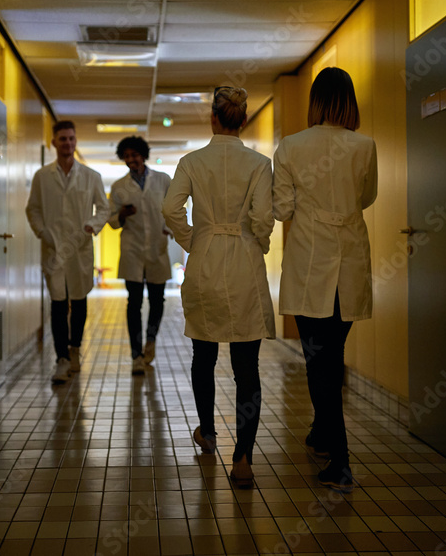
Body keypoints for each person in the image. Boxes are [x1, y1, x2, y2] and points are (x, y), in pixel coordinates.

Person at [162, 87, 275, 488]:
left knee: (203, 354)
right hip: (244, 261)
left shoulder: (192, 161)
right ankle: (243, 458)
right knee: (247, 368)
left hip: (206, 259)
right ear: (243, 121)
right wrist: (256, 241)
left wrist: (194, 239)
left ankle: (207, 433)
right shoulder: (260, 164)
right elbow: (264, 216)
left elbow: (170, 208)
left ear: (213, 119)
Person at [272, 67, 377, 491]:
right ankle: (321, 433)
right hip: (349, 261)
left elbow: (281, 209)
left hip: (310, 264)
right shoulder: (364, 145)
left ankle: (342, 460)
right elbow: (367, 197)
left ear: (315, 101)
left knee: (321, 364)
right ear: (349, 100)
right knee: (331, 356)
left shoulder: (291, 146)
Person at [26, 120, 109, 384]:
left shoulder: (91, 176)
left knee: (79, 300)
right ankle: (61, 359)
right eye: (63, 139)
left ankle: (75, 349)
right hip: (53, 247)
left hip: (80, 247)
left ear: (76, 141)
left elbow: (104, 210)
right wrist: (42, 232)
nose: (68, 144)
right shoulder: (42, 176)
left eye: (71, 139)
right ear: (54, 142)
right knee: (58, 304)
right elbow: (33, 209)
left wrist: (91, 226)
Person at [107, 136, 172, 376]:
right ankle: (136, 354)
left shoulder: (163, 180)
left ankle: (150, 340)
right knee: (133, 303)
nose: (131, 160)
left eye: (134, 155)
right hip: (133, 250)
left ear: (143, 155)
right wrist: (122, 214)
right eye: (126, 156)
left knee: (158, 301)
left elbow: (175, 209)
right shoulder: (118, 187)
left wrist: (172, 227)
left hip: (157, 248)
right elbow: (112, 221)